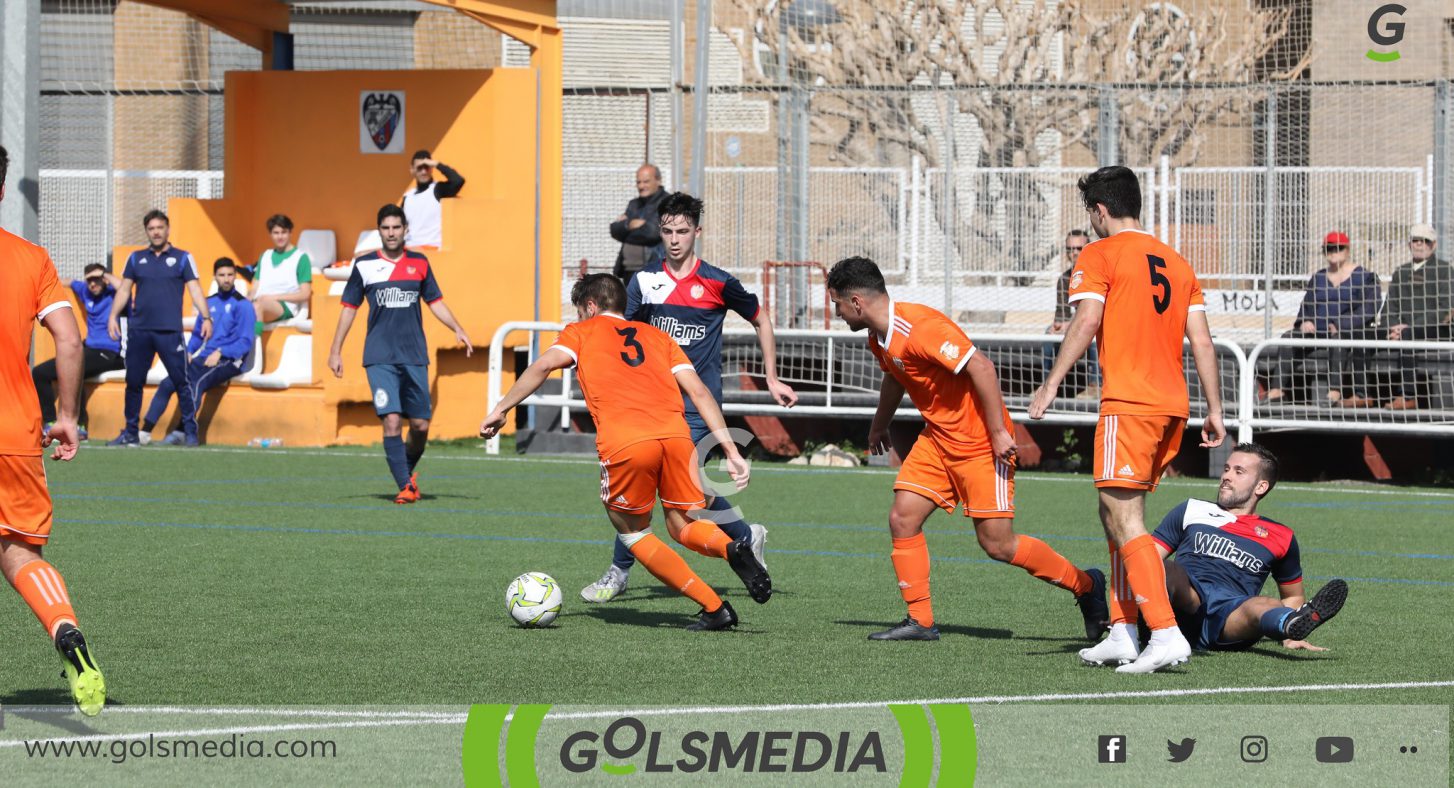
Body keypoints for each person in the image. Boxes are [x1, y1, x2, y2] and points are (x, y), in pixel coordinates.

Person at [827, 256, 1109, 641]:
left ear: (856, 302)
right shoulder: (879, 336)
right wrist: (880, 424)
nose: (837, 313)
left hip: (980, 445)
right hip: (937, 441)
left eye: (838, 305)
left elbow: (982, 367)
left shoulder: (921, 327)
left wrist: (997, 433)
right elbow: (895, 376)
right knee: (902, 518)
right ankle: (920, 621)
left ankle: (1086, 586)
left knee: (998, 545)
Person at [482, 275, 770, 630]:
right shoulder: (658, 336)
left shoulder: (580, 332)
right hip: (677, 437)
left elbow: (543, 366)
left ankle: (715, 608)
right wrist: (729, 447)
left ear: (590, 306)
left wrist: (501, 408)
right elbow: (698, 391)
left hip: (628, 442)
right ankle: (731, 548)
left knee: (633, 533)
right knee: (682, 524)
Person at [1029, 165, 1226, 674]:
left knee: (1125, 517)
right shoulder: (1177, 261)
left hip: (1129, 402)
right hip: (1171, 407)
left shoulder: (1100, 253)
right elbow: (1201, 341)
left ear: (1099, 210)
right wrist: (1216, 408)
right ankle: (1122, 628)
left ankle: (1163, 633)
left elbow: (1087, 318)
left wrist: (1052, 383)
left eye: (1089, 213)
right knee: (1110, 511)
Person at [578, 191, 798, 603]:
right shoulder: (643, 281)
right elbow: (617, 335)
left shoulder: (716, 282)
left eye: (682, 231)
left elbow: (760, 317)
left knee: (681, 490)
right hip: (652, 405)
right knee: (672, 488)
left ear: (697, 232)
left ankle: (619, 571)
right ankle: (745, 536)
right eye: (667, 231)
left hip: (698, 406)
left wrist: (771, 376)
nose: (675, 239)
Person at [0, 144, 106, 715]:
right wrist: (67, 416)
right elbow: (70, 338)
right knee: (19, 553)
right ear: (0, 189)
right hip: (15, 430)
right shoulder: (32, 258)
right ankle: (66, 631)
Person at [328, 204, 473, 504]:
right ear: (379, 230)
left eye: (396, 227)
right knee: (391, 420)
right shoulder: (364, 265)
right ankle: (405, 486)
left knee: (420, 425)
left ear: (405, 229)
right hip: (379, 356)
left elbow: (435, 302)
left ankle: (406, 476)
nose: (391, 233)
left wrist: (457, 328)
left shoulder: (419, 263)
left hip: (414, 355)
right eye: (386, 228)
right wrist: (335, 350)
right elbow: (348, 310)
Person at [1149, 443, 1347, 653]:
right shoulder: (1191, 509)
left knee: (1266, 604)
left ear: (1260, 487)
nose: (1227, 476)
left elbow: (1292, 596)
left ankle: (1288, 625)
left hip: (1231, 617)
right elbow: (1146, 560)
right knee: (1165, 568)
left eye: (1238, 471)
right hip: (1185, 604)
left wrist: (1288, 636)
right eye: (1226, 469)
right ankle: (1145, 626)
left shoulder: (1281, 536)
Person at [105, 210, 214, 447]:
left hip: (169, 332)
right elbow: (124, 290)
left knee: (181, 382)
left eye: (159, 227)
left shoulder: (183, 258)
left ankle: (190, 434)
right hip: (140, 331)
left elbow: (195, 288)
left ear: (167, 229)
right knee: (133, 382)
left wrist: (206, 317)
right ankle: (131, 432)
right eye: (151, 228)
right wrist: (113, 315)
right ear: (147, 231)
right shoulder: (135, 259)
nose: (156, 232)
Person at [140, 258, 256, 445]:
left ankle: (185, 433)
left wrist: (221, 351)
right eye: (222, 275)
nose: (226, 279)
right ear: (215, 277)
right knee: (168, 383)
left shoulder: (243, 305)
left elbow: (245, 342)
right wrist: (189, 351)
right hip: (205, 357)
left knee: (196, 383)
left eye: (230, 275)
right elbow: (197, 335)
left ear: (235, 276)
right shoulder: (208, 303)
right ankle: (144, 433)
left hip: (230, 360)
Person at [1263, 231, 1382, 405]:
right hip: (1317, 330)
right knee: (1289, 338)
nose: (1334, 252)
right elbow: (1307, 304)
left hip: (1345, 331)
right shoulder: (1318, 277)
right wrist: (1304, 321)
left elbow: (1370, 307)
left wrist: (1341, 324)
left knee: (1338, 340)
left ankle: (1334, 391)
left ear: (1347, 250)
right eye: (1329, 248)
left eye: (1338, 248)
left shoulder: (1365, 277)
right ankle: (1276, 390)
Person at [31, 262, 126, 435]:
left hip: (110, 351)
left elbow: (124, 287)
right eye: (89, 280)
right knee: (39, 373)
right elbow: (68, 282)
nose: (93, 284)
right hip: (88, 348)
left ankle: (79, 425)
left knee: (76, 369)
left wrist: (104, 274)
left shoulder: (114, 294)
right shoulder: (84, 290)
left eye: (96, 280)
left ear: (104, 279)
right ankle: (50, 422)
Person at [1368, 223, 1453, 410]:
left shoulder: (1445, 270)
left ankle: (1407, 395)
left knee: (1409, 336)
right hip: (1399, 330)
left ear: (1434, 245)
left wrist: (1410, 327)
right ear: (1409, 244)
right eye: (1415, 241)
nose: (1420, 245)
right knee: (1360, 336)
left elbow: (1446, 309)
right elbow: (1390, 304)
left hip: (1432, 329)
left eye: (1425, 241)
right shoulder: (1401, 271)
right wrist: (1392, 326)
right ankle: (1361, 393)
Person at [1043, 229, 1100, 399]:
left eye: (1078, 248)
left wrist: (1070, 324)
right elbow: (1061, 313)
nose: (1073, 252)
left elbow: (1098, 313)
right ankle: (1047, 386)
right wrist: (1058, 325)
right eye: (1069, 249)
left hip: (1096, 326)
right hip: (1075, 326)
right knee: (1048, 333)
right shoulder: (1064, 279)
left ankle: (1096, 385)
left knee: (1093, 333)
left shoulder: (1097, 273)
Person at [245, 214, 313, 329]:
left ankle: (255, 345)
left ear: (290, 233)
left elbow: (305, 294)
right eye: (276, 233)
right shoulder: (265, 256)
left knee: (257, 307)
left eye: (284, 232)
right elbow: (255, 288)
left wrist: (274, 297)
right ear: (270, 234)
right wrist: (244, 300)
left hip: (284, 306)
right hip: (260, 301)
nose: (280, 236)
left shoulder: (301, 258)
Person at [610, 164, 668, 282]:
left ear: (658, 180)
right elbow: (615, 230)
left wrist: (625, 229)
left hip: (654, 270)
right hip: (628, 271)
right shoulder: (633, 204)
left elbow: (653, 233)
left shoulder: (668, 202)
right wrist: (629, 225)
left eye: (646, 182)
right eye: (638, 182)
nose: (641, 186)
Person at [400, 149, 465, 249]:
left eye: (427, 167)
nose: (423, 171)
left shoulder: (438, 189)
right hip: (410, 250)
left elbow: (458, 181)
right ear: (412, 169)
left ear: (431, 168)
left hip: (432, 250)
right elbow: (400, 225)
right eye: (419, 168)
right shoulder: (407, 197)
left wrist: (436, 164)